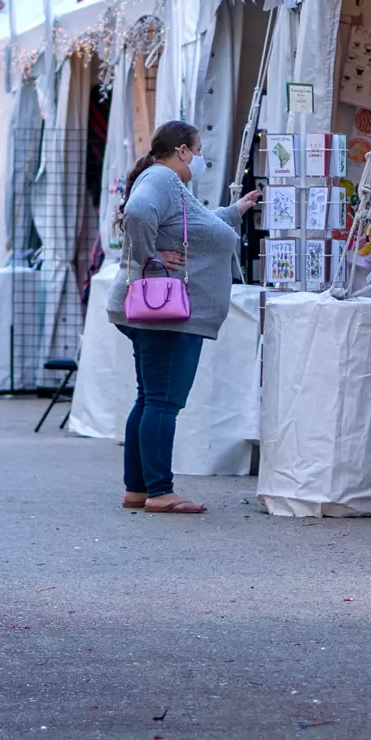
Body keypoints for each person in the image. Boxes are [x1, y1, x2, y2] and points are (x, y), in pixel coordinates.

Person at [107, 121, 258, 515]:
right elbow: (137, 215)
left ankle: (138, 489)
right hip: (167, 314)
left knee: (150, 399)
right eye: (199, 148)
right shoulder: (161, 179)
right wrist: (152, 260)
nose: (202, 156)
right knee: (162, 402)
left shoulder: (168, 184)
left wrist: (234, 212)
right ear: (183, 151)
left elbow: (194, 228)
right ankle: (160, 491)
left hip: (160, 312)